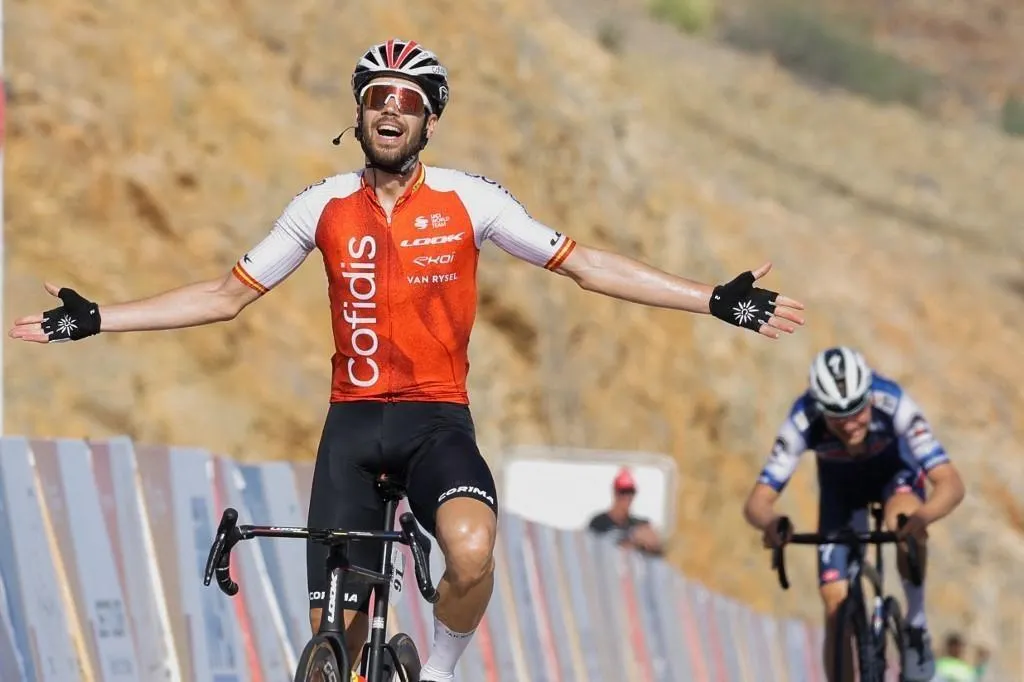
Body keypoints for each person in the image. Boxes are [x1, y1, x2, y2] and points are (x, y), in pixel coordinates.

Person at [10, 38, 806, 681]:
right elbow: (224, 295)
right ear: (359, 114)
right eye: (376, 98)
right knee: (340, 642)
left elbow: (586, 264)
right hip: (351, 431)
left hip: (435, 423)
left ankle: (442, 670)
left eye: (409, 102)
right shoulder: (319, 205)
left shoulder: (471, 199)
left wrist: (712, 298)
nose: (390, 110)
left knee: (469, 550)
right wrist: (97, 320)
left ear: (430, 122)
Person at [742, 346, 965, 682]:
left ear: (870, 397)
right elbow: (757, 502)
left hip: (895, 479)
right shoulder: (803, 419)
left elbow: (950, 483)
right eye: (836, 415)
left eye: (856, 412)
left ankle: (916, 624)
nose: (849, 425)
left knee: (903, 520)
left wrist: (923, 518)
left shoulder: (894, 402)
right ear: (820, 407)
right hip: (840, 492)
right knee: (834, 601)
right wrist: (772, 523)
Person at [587, 467, 664, 556]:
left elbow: (656, 555)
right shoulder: (598, 523)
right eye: (623, 492)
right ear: (615, 493)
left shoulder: (641, 524)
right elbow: (592, 552)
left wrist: (652, 544)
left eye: (630, 492)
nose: (627, 497)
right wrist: (630, 542)